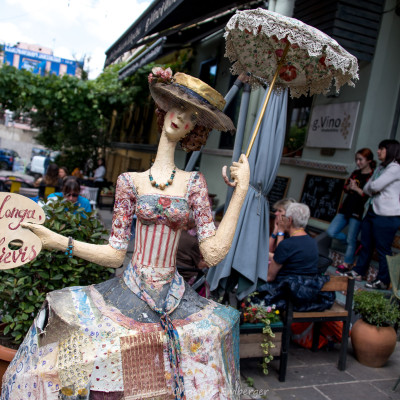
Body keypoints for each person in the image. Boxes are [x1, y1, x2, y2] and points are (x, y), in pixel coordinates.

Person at [8, 68, 250, 399]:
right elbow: (115, 254)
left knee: (178, 375)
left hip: (175, 297)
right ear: (164, 109)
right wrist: (60, 241)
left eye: (192, 116)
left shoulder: (194, 183)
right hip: (128, 290)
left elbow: (212, 253)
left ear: (196, 128)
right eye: (178, 107)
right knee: (67, 337)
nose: (181, 118)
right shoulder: (129, 181)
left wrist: (242, 191)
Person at [259, 202, 334, 312]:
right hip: (306, 296)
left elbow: (270, 277)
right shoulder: (313, 243)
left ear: (289, 220)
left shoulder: (287, 244)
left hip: (285, 296)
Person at [347, 139, 400, 289]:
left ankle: (383, 281)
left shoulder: (395, 167)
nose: (378, 151)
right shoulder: (380, 168)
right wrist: (372, 189)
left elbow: (375, 185)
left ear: (390, 150)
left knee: (383, 248)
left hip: (387, 214)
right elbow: (367, 188)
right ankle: (359, 271)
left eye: (381, 149)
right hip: (372, 210)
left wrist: (372, 189)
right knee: (366, 244)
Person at [326, 148, 375, 273]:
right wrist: (349, 186)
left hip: (358, 211)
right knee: (332, 231)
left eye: (360, 160)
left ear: (369, 160)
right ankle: (354, 244)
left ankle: (347, 263)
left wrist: (358, 189)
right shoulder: (355, 173)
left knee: (351, 239)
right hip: (346, 208)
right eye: (356, 159)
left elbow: (370, 195)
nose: (358, 162)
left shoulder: (373, 176)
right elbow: (346, 188)